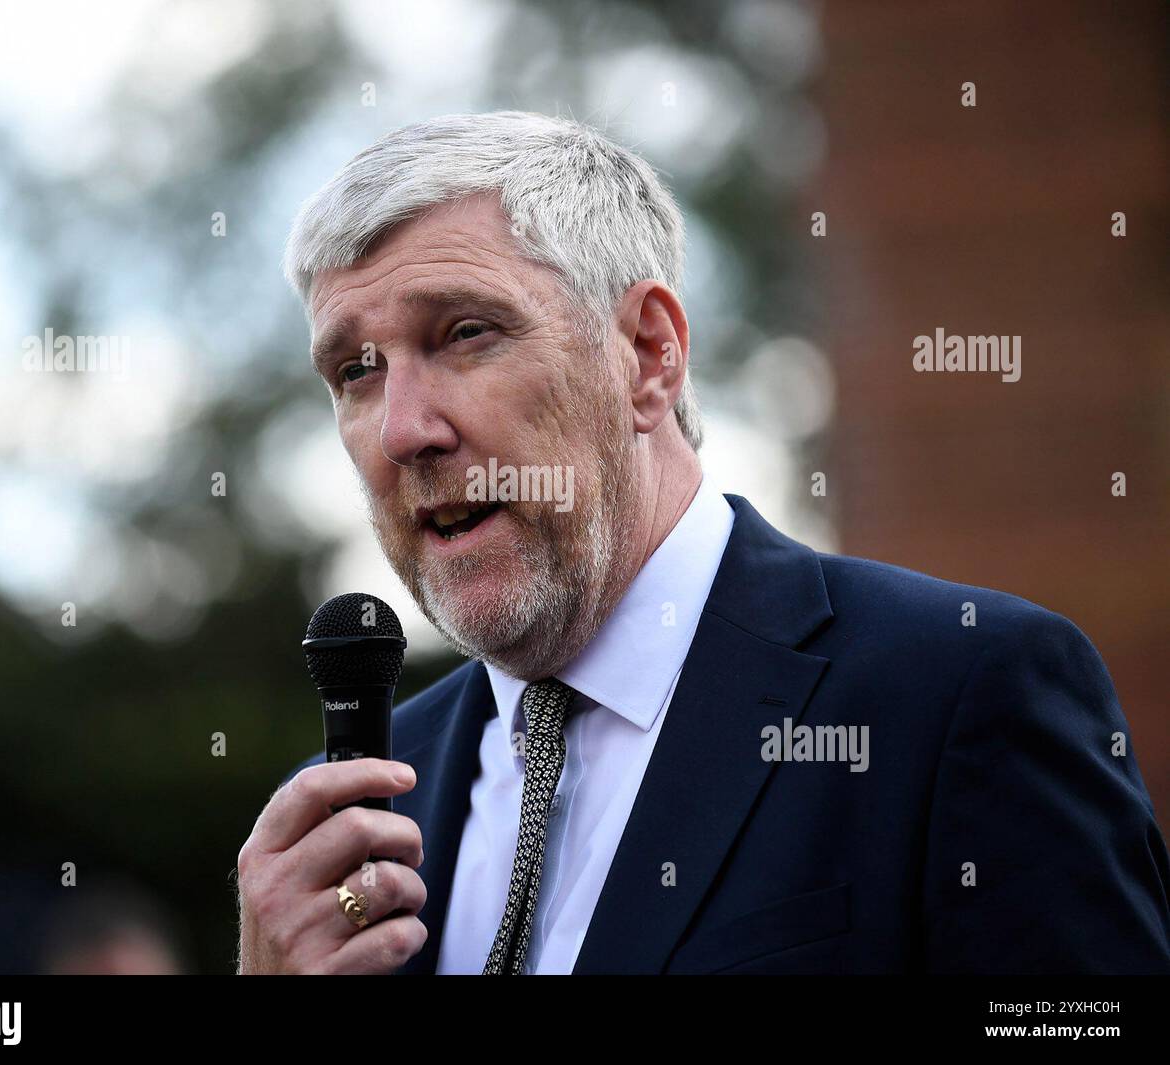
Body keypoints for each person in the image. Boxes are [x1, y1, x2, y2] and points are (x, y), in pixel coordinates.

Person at [235, 111, 1170, 975]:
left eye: (467, 333)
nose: (403, 430)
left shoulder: (956, 694)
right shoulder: (349, 813)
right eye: (356, 370)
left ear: (647, 353)